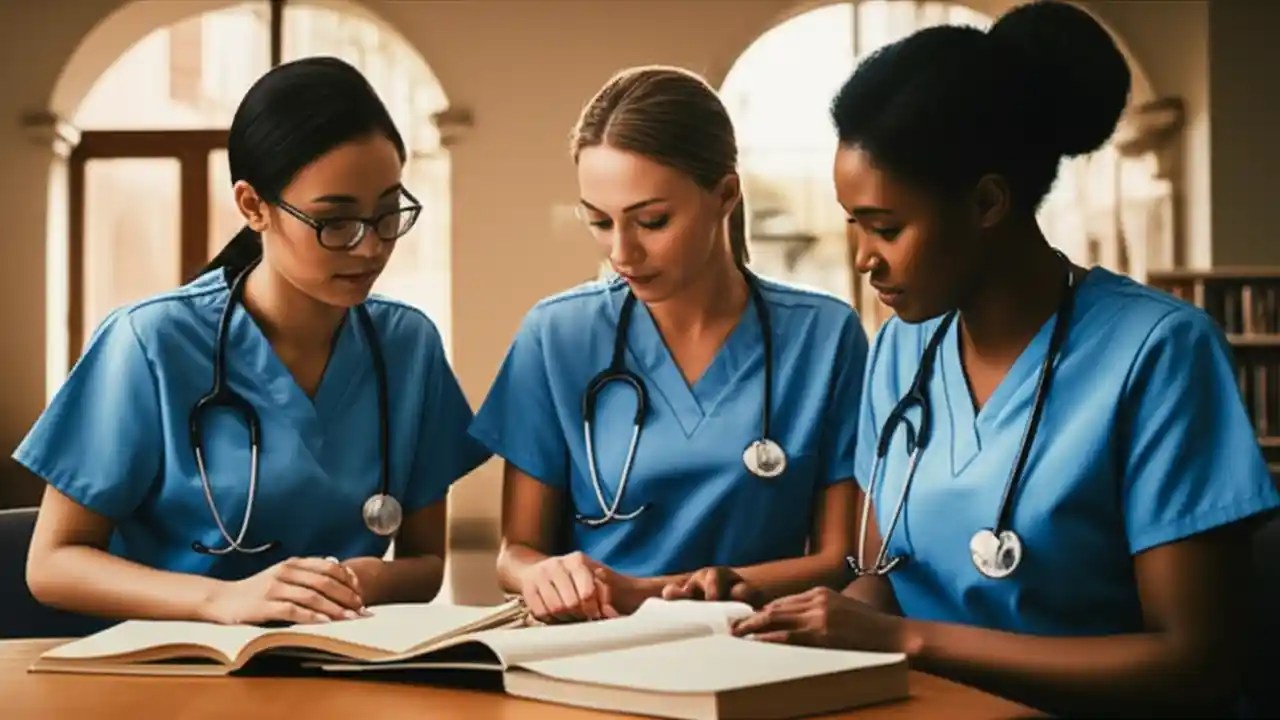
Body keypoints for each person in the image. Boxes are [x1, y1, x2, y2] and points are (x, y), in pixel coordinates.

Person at [729, 1, 1280, 716]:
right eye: (853, 224)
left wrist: (908, 639)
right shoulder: (901, 347)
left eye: (886, 227)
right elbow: (883, 579)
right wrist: (798, 617)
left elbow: (1192, 658)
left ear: (988, 202)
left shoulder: (1160, 352)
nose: (862, 258)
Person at [16, 57, 489, 626]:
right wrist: (225, 599)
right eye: (335, 223)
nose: (370, 248)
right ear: (252, 206)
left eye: (387, 214)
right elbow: (52, 564)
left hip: (336, 660)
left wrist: (355, 580)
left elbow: (426, 563)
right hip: (173, 670)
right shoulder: (150, 342)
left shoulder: (408, 345)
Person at [468, 66, 869, 623]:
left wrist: (645, 591)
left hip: (759, 645)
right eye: (599, 222)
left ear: (725, 194)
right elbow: (515, 553)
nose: (622, 253)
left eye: (652, 221)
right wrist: (541, 575)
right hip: (592, 646)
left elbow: (840, 558)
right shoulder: (557, 336)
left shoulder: (824, 337)